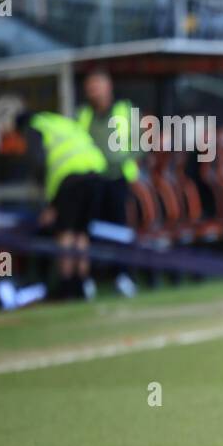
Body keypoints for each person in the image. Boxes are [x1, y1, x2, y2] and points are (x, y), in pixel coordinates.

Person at [12, 109, 108, 301]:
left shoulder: (35, 128)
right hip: (96, 173)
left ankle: (66, 285)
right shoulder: (59, 121)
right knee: (82, 233)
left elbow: (38, 162)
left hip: (70, 178)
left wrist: (50, 204)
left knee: (66, 232)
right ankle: (81, 283)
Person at [76, 69, 141, 296]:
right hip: (92, 180)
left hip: (118, 179)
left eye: (97, 85)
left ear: (108, 86)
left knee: (119, 228)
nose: (93, 91)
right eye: (90, 86)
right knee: (91, 229)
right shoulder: (83, 114)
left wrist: (123, 159)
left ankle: (123, 275)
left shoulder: (125, 110)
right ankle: (90, 278)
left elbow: (139, 143)